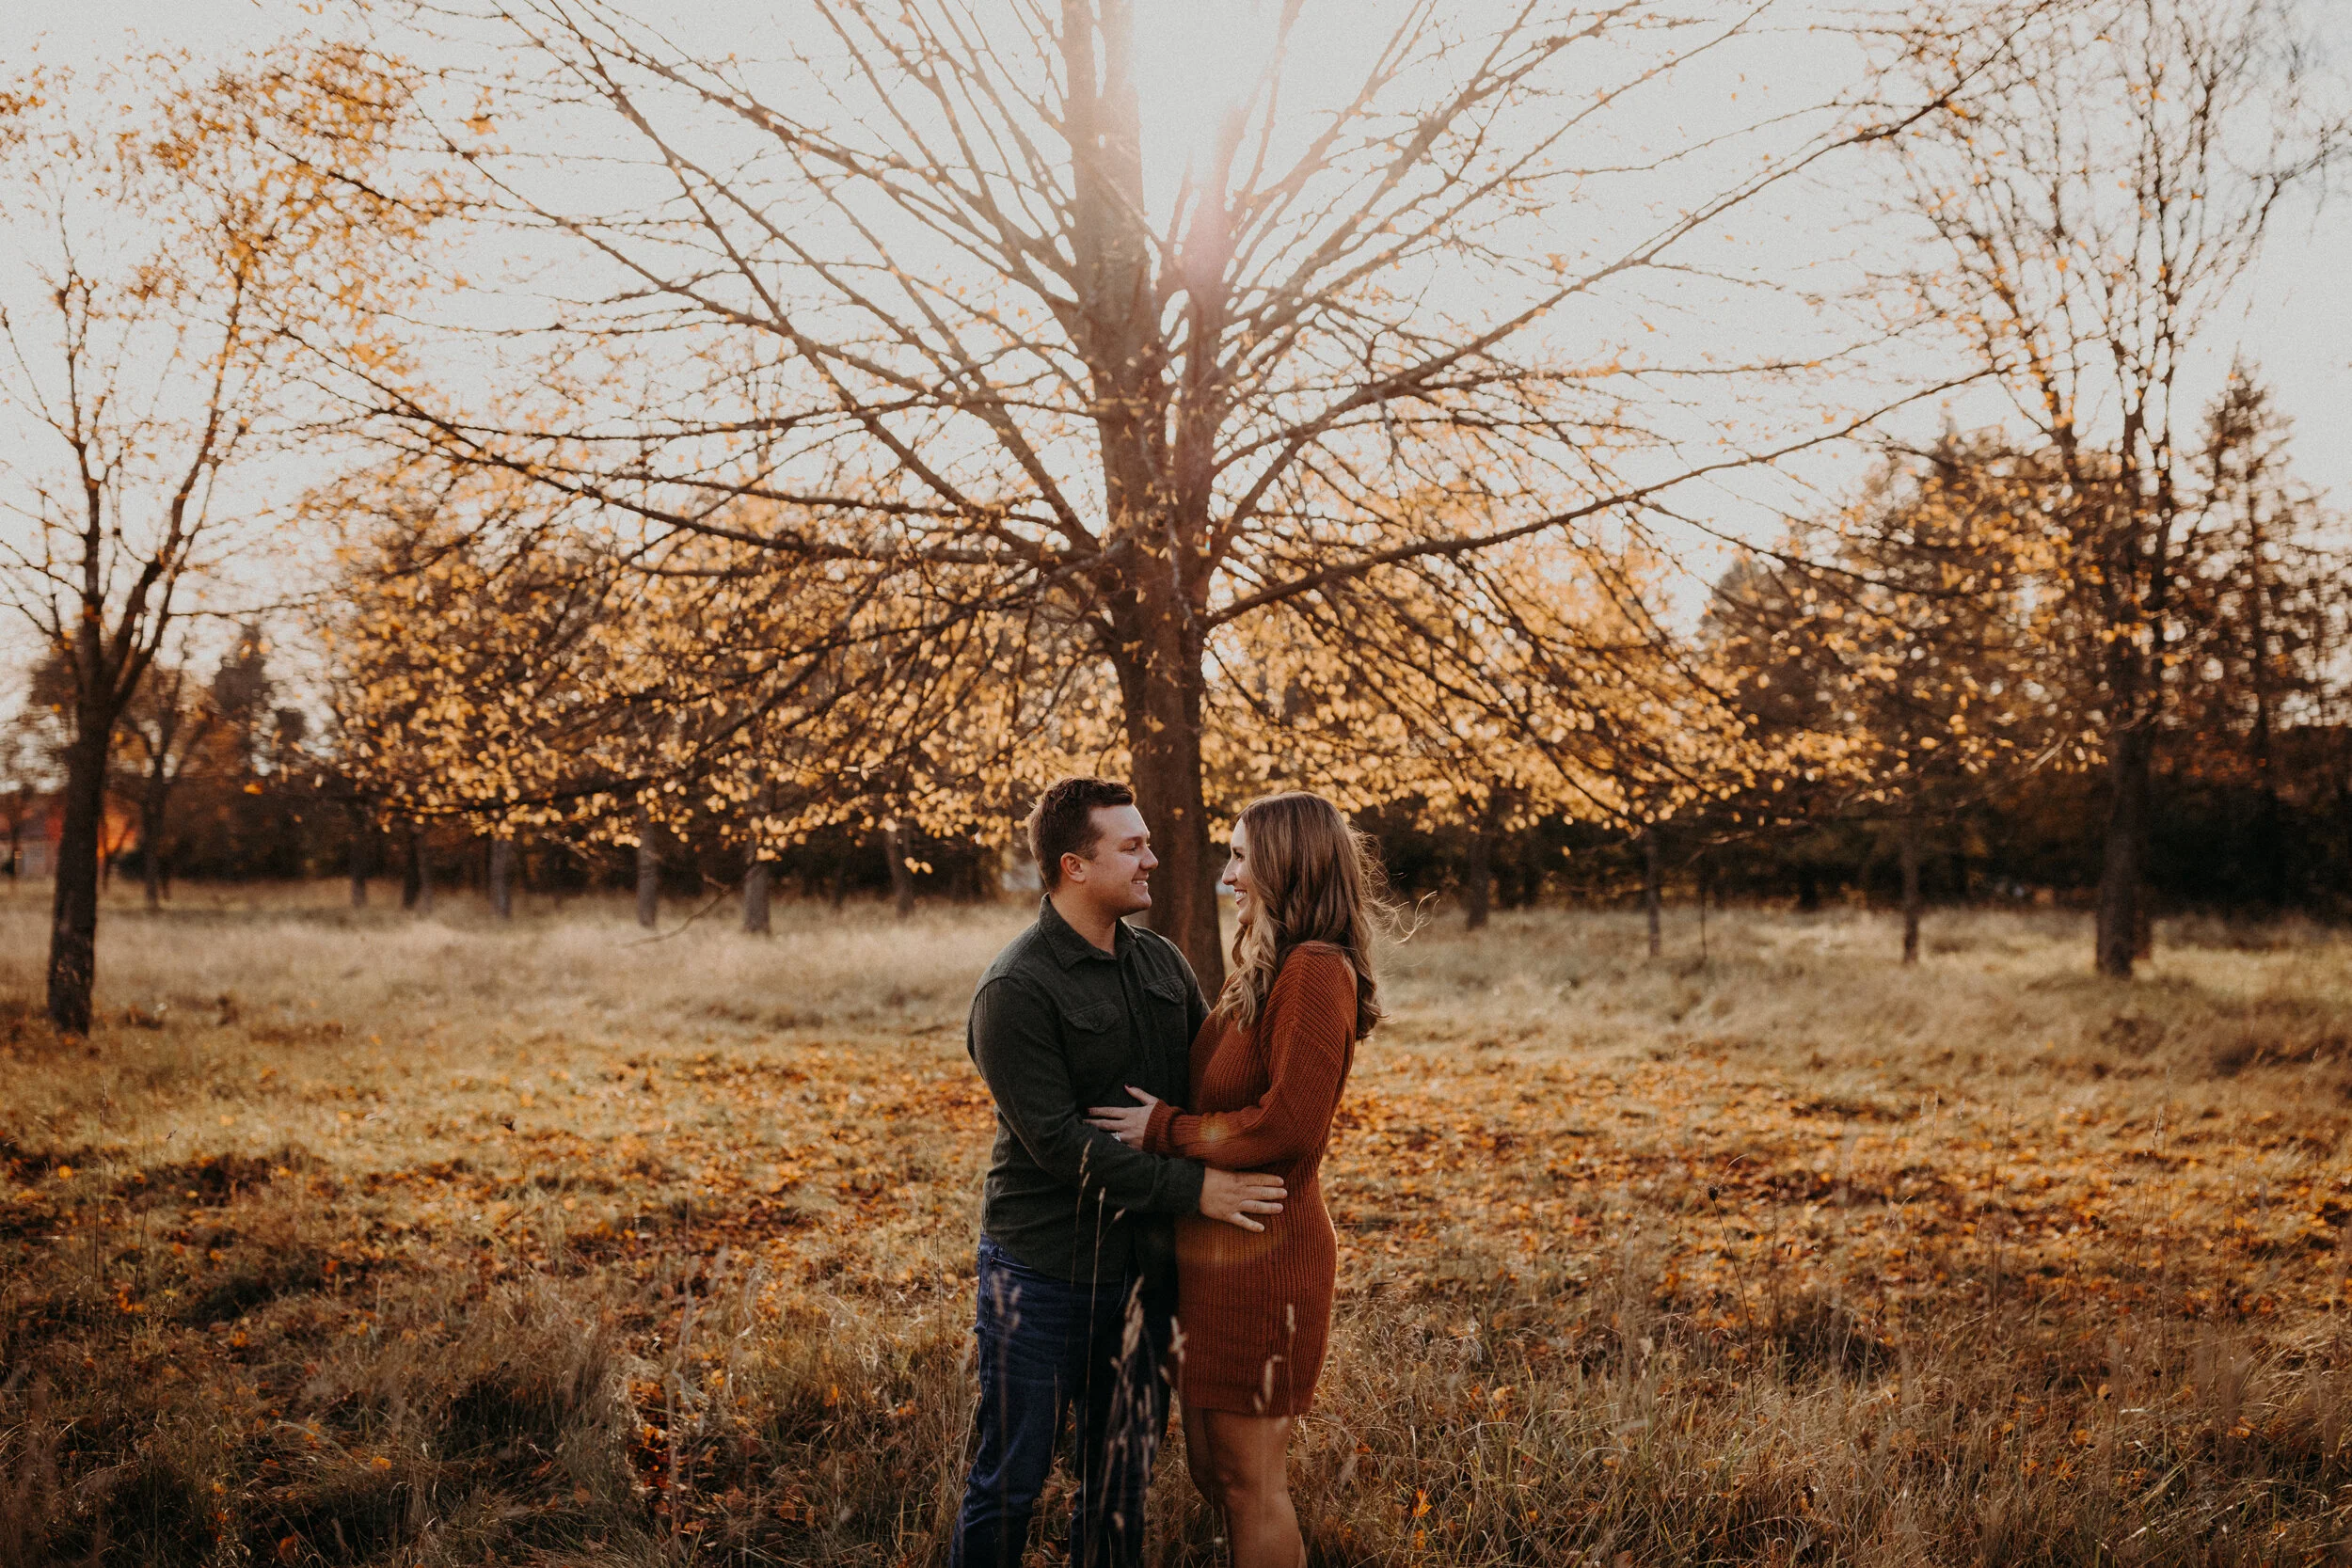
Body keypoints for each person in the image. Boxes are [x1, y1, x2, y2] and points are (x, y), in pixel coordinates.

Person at [951, 777, 1289, 1568]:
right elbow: (1060, 1144)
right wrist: (1197, 1189)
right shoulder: (1015, 987)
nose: (1152, 859)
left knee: (1120, 1486)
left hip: (1145, 1273)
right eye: (1132, 846)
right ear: (1074, 865)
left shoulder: (1162, 963)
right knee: (1010, 1482)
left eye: (1148, 843)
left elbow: (1206, 1088)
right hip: (1042, 1274)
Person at [1089, 790, 1389, 1568]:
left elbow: (1288, 1124)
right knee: (1213, 1471)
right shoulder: (1263, 966)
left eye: (1239, 857)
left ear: (1285, 865)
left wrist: (1166, 1131)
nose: (1227, 875)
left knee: (1251, 1483)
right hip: (1217, 1251)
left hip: (1269, 1254)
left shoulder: (1314, 970)